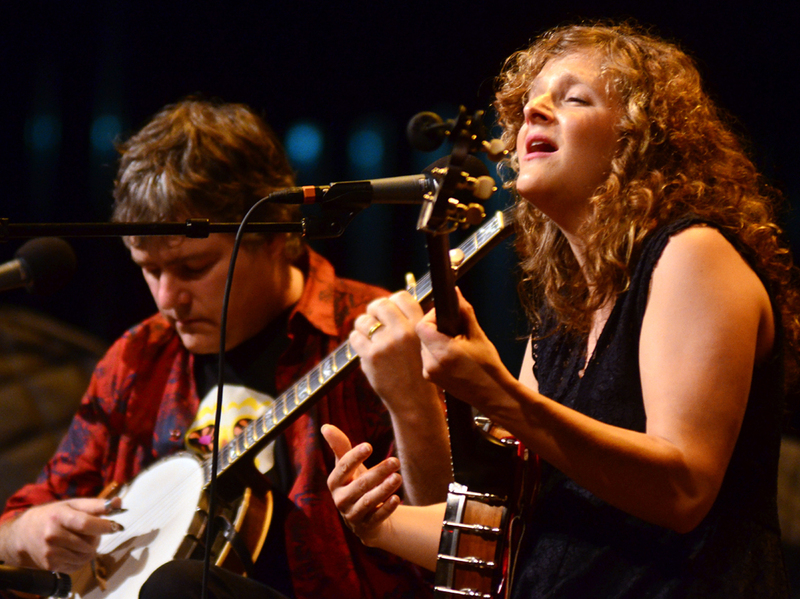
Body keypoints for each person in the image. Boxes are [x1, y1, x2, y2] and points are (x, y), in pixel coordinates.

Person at [323, 22, 799, 598]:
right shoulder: (563, 311)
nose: (535, 112)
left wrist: (497, 391)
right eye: (528, 103)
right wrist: (382, 524)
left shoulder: (692, 254)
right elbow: (507, 531)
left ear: (639, 139)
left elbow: (683, 490)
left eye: (573, 98)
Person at [0, 98, 451, 599]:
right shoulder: (139, 355)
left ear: (276, 238)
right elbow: (23, 514)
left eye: (194, 268)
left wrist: (413, 403)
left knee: (177, 587)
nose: (168, 299)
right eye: (149, 270)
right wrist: (26, 533)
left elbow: (454, 548)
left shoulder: (375, 335)